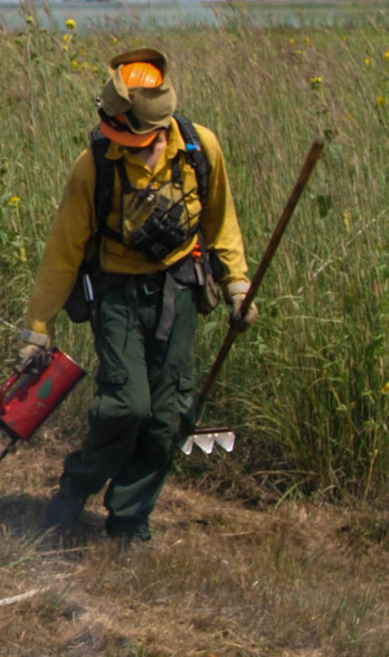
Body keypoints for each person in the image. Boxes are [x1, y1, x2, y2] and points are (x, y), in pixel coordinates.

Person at [18, 48, 257, 544]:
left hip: (180, 292)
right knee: (126, 406)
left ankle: (129, 520)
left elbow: (221, 221)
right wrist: (38, 330)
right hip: (117, 296)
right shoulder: (94, 166)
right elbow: (63, 251)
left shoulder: (200, 150)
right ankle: (75, 487)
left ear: (150, 124)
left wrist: (237, 286)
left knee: (169, 416)